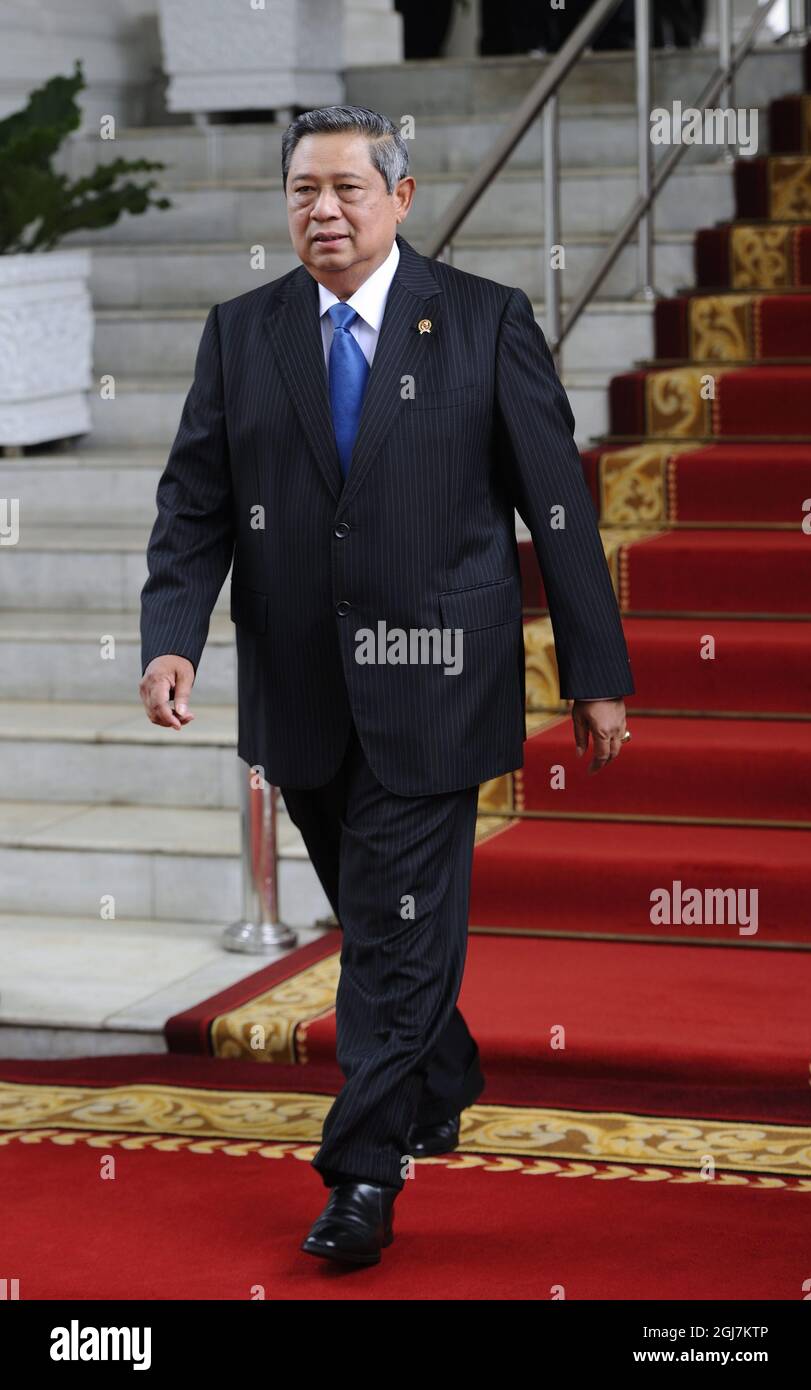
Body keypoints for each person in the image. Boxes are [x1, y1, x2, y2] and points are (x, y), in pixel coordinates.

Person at [139, 105, 634, 1267]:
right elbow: (194, 501)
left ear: (400, 198)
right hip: (301, 693)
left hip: (438, 686)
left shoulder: (482, 322)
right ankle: (443, 1067)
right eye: (304, 191)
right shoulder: (241, 334)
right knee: (382, 926)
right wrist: (173, 637)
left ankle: (361, 1173)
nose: (324, 211)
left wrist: (593, 671)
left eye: (348, 190)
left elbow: (555, 507)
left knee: (393, 940)